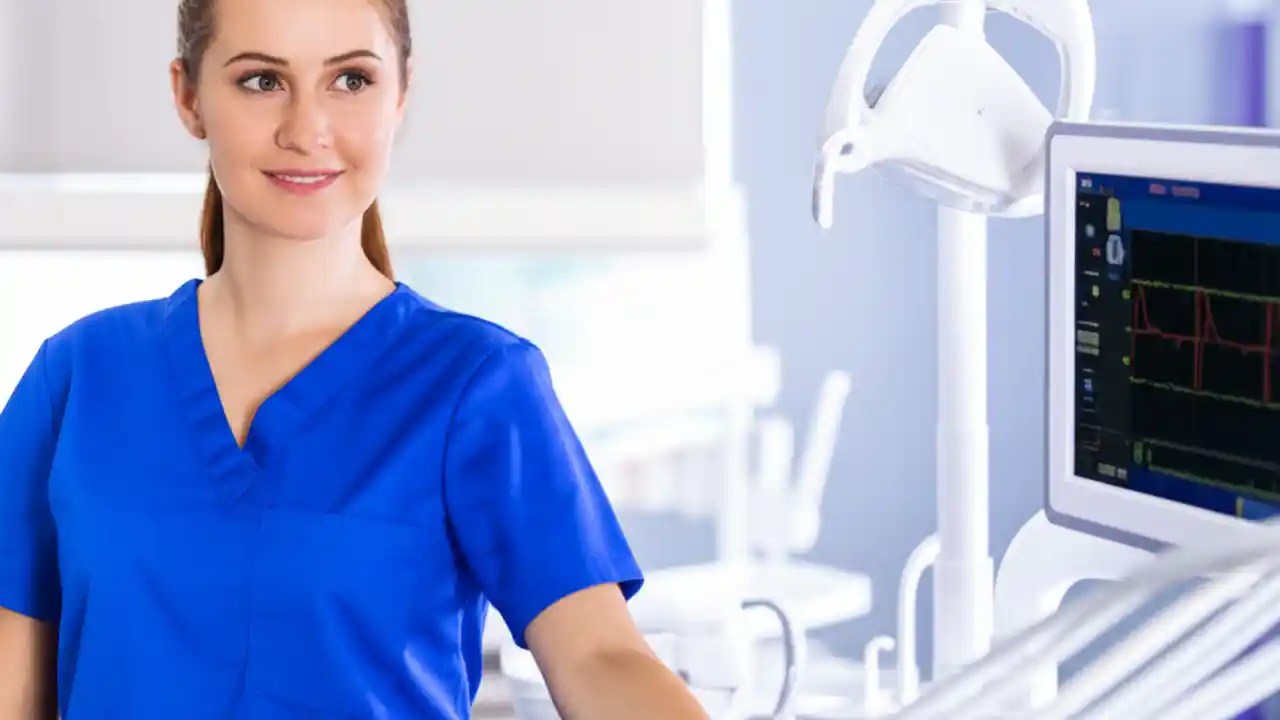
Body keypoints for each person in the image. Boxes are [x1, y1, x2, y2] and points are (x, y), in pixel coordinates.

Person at [0, 0, 708, 717]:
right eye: (260, 81)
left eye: (350, 81)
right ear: (188, 97)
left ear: (401, 92)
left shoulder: (476, 385)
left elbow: (598, 655)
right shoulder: (78, 379)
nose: (307, 130)